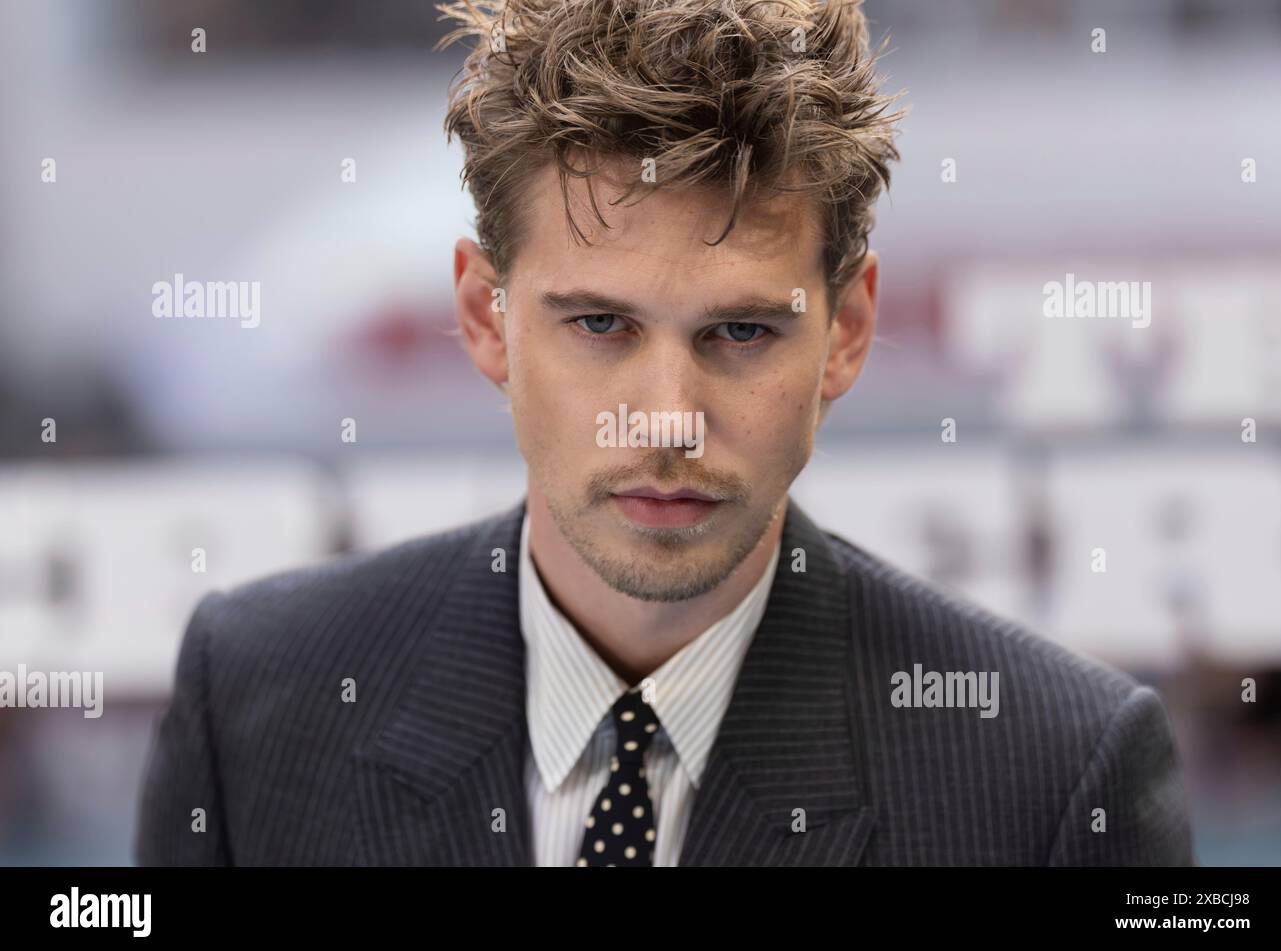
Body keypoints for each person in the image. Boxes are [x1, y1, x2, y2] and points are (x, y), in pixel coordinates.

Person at [135, 0, 1195, 866]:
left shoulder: (1054, 773)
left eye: (740, 331)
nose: (667, 419)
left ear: (847, 331)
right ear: (482, 316)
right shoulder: (256, 701)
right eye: (599, 324)